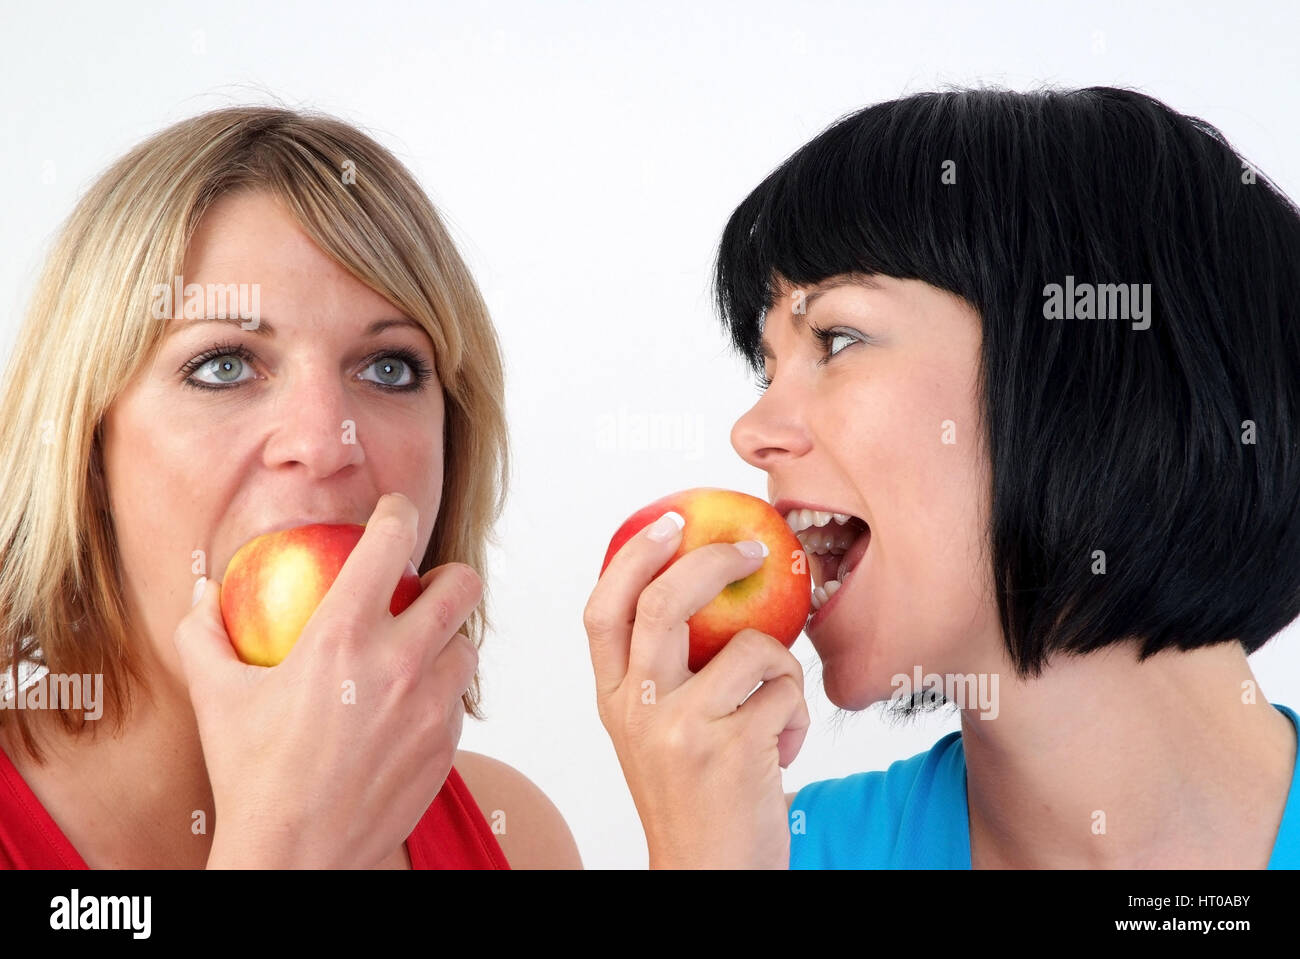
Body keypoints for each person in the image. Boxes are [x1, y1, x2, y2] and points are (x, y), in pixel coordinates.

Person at [585, 86, 1300, 868]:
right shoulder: (768, 853)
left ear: (1091, 381)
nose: (751, 433)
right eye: (767, 371)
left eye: (838, 337)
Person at [0, 105, 580, 869]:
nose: (323, 442)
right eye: (225, 365)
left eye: (389, 367)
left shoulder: (519, 837)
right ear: (87, 448)